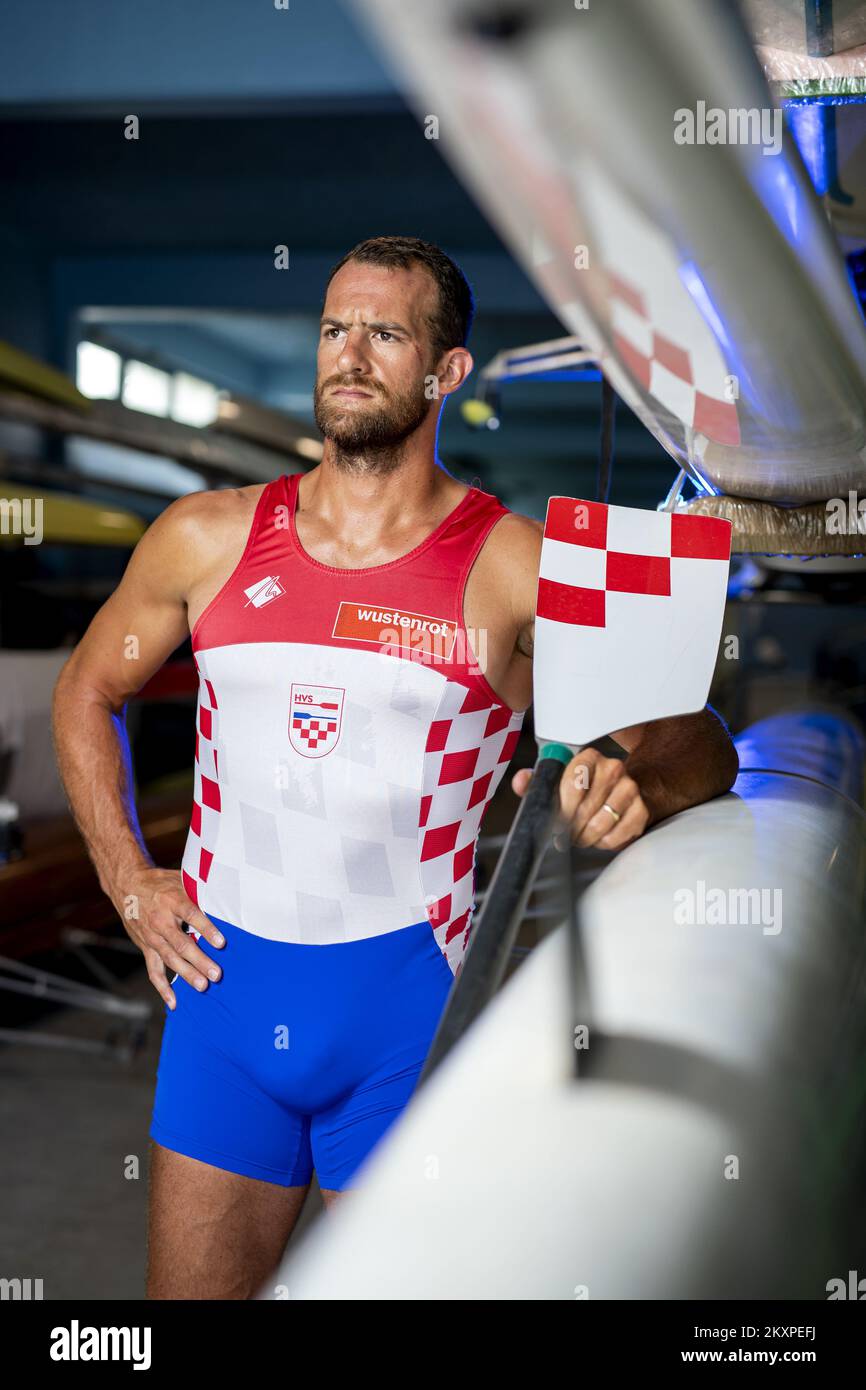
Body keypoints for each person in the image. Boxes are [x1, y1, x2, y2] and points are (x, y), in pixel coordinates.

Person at [52, 235, 739, 1300]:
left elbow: (697, 748)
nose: (349, 354)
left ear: (445, 371)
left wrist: (632, 786)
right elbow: (85, 690)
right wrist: (125, 877)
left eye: (384, 333)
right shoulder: (205, 538)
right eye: (334, 328)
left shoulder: (514, 564)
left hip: (408, 1023)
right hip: (222, 1007)